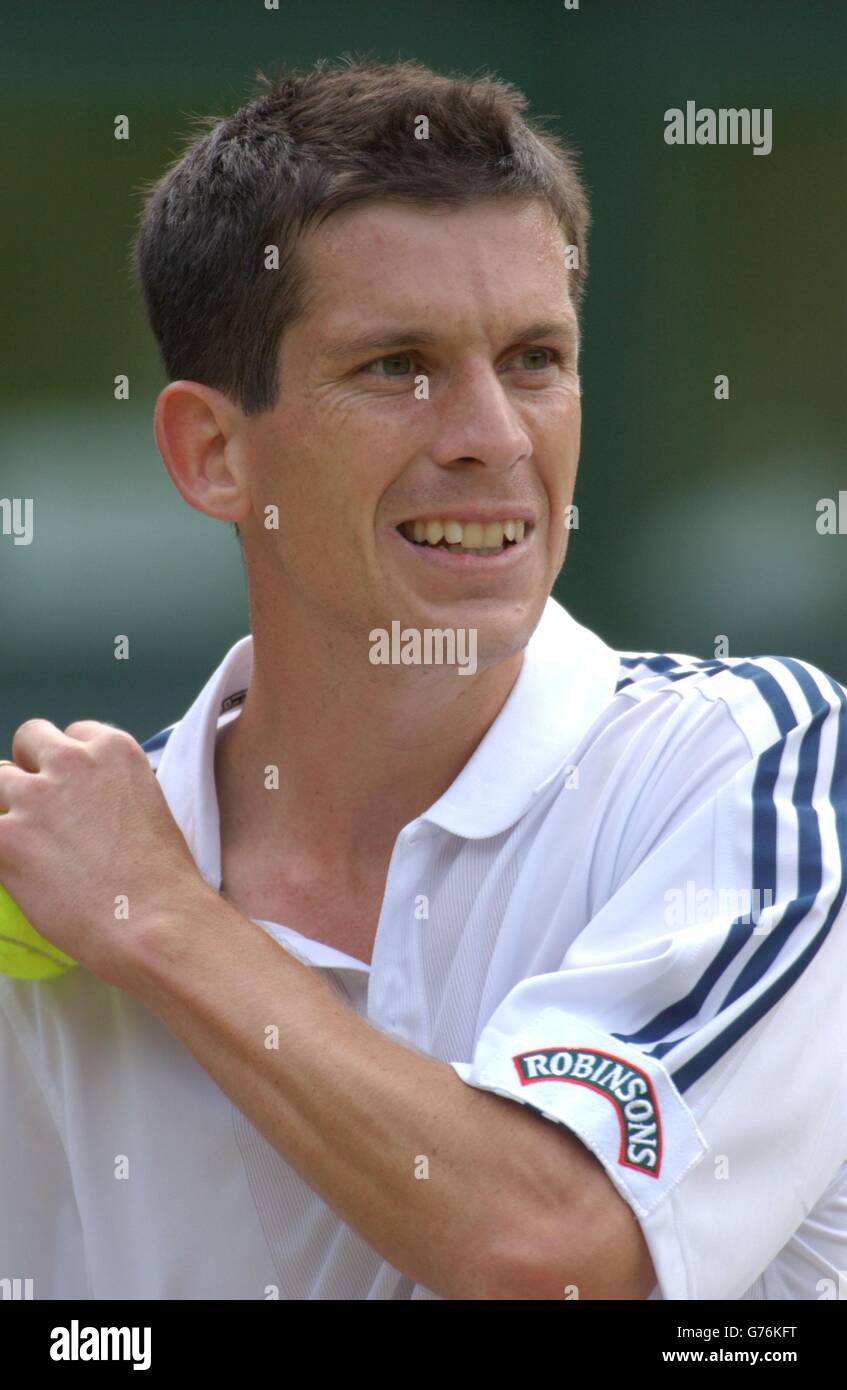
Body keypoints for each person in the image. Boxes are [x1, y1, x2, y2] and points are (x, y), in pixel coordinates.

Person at [0, 58, 844, 1302]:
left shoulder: (767, 769)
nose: (493, 437)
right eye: (399, 365)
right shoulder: (64, 871)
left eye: (535, 358)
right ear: (213, 452)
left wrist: (160, 921)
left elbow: (556, 1254)